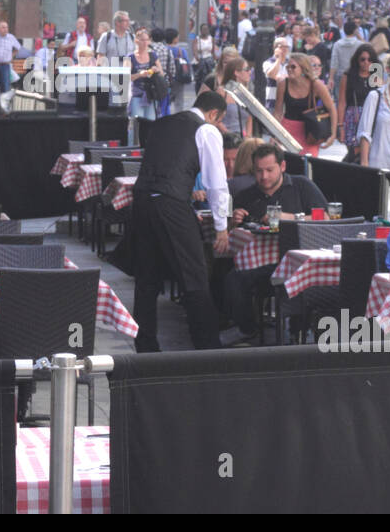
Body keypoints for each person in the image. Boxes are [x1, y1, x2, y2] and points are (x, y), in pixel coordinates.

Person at [127, 90, 230, 352]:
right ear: (214, 114)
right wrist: (222, 226)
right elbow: (216, 184)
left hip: (140, 200)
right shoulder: (207, 131)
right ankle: (207, 349)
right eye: (219, 121)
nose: (220, 126)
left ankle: (146, 347)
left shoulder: (161, 124)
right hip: (170, 203)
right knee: (195, 276)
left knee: (147, 279)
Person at [220, 144, 330, 344]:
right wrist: (234, 220)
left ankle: (299, 330)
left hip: (303, 260)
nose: (264, 177)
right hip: (264, 262)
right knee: (232, 278)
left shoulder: (301, 186)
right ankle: (247, 328)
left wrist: (286, 218)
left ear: (283, 166)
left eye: (270, 170)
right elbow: (232, 233)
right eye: (259, 171)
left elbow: (326, 217)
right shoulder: (246, 195)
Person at [274, 52, 336, 156]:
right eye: (287, 66)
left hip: (309, 132)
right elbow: (277, 112)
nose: (289, 69)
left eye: (293, 67)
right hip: (287, 130)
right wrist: (275, 134)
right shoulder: (283, 84)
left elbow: (331, 109)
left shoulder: (316, 84)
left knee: (308, 165)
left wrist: (333, 134)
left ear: (303, 68)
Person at [337, 43, 379, 163]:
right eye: (362, 59)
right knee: (354, 153)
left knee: (370, 154)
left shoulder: (376, 76)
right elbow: (341, 102)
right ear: (357, 60)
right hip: (353, 118)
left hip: (372, 118)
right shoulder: (348, 76)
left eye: (370, 60)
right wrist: (340, 126)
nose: (366, 62)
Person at [126, 27, 161, 126]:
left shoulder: (153, 55)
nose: (145, 43)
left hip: (151, 95)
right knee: (137, 125)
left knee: (151, 125)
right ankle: (135, 142)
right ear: (136, 41)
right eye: (142, 40)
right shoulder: (130, 57)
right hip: (137, 95)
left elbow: (161, 73)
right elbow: (125, 77)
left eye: (147, 40)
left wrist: (156, 70)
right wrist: (139, 75)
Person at [217, 56, 253, 137]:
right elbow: (215, 119)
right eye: (247, 69)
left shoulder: (247, 93)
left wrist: (248, 138)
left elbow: (249, 119)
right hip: (225, 140)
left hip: (241, 140)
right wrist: (230, 136)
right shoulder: (222, 92)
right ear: (236, 72)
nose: (250, 72)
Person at [0, 19, 23, 95]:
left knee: (5, 85)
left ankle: (4, 104)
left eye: (6, 27)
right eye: (3, 27)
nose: (5, 29)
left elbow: (18, 48)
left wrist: (11, 56)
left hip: (5, 65)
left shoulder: (11, 37)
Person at [329, 20, 361, 92]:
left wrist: (331, 78)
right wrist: (359, 36)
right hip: (355, 74)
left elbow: (334, 62)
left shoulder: (337, 44)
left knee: (339, 98)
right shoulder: (359, 45)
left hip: (340, 75)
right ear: (354, 30)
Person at [263, 38, 289, 110]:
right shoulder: (268, 62)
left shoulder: (290, 63)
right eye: (282, 47)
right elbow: (272, 75)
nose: (285, 49)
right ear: (275, 48)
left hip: (287, 103)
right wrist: (278, 59)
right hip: (272, 102)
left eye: (286, 47)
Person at [193, 23, 216, 89]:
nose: (205, 31)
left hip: (209, 61)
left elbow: (213, 51)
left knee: (209, 78)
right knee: (200, 79)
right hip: (200, 61)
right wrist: (198, 59)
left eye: (206, 29)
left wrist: (214, 60)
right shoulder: (197, 39)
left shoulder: (211, 39)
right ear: (200, 30)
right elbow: (194, 51)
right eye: (203, 29)